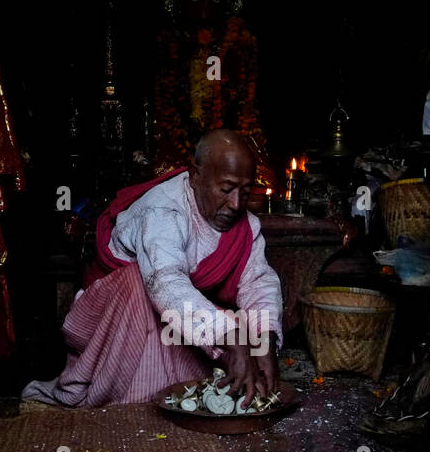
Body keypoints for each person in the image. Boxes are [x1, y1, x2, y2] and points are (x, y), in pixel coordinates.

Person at [23, 129, 281, 407]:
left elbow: (258, 280)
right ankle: (134, 407)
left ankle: (187, 395)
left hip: (176, 320)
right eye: (227, 189)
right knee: (139, 284)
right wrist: (231, 337)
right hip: (114, 320)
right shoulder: (162, 210)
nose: (236, 204)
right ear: (196, 177)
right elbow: (166, 283)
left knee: (244, 327)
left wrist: (263, 341)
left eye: (245, 191)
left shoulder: (247, 225)